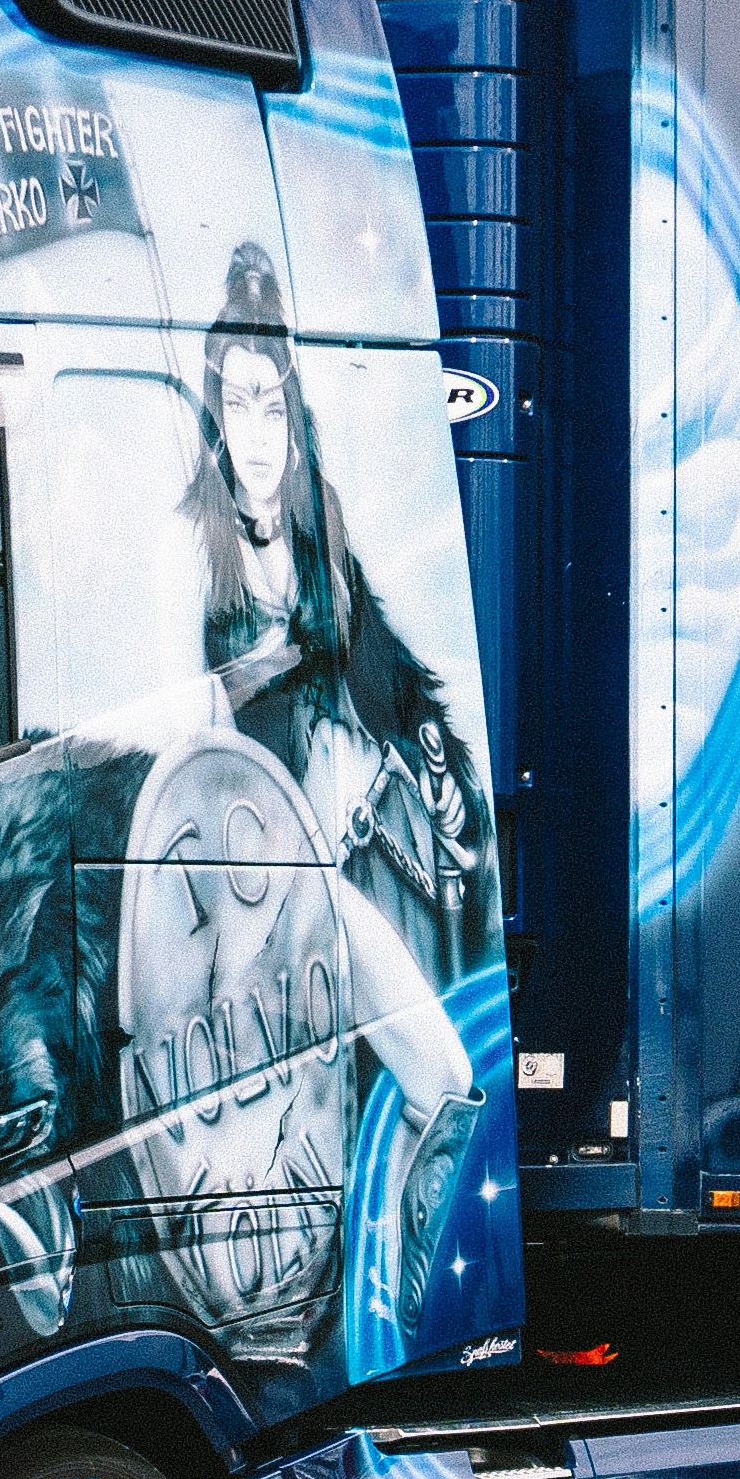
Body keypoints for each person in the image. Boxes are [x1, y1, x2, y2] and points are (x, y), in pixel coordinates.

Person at [180, 246, 494, 986]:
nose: (257, 434)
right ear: (215, 417)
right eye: (237, 404)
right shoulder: (195, 547)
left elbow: (392, 677)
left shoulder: (326, 539)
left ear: (292, 419)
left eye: (271, 406)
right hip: (268, 885)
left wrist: (441, 775)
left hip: (365, 859)